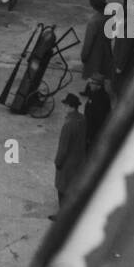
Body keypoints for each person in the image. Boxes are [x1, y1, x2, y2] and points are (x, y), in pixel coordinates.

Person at [52, 91, 87, 219]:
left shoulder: (68, 125)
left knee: (62, 188)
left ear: (69, 106)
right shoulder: (82, 119)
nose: (64, 108)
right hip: (79, 159)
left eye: (66, 105)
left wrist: (58, 162)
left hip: (67, 163)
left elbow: (63, 149)